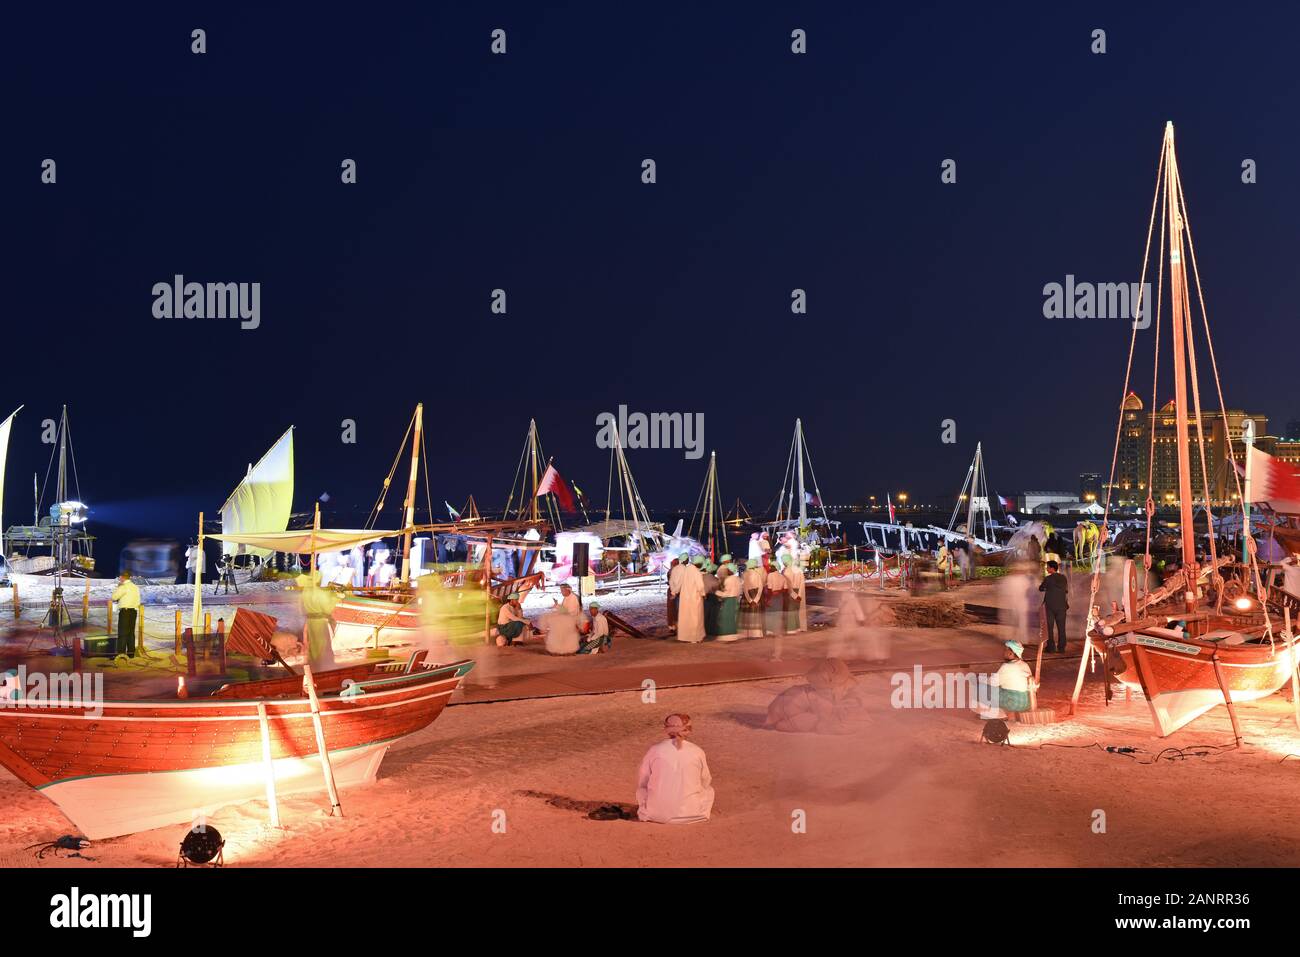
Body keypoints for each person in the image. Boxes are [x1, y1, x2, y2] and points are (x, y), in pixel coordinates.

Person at [635, 713, 714, 824]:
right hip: (693, 814)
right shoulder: (697, 751)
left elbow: (643, 781)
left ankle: (652, 811)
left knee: (641, 790)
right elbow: (706, 781)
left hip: (656, 816)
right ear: (688, 730)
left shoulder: (655, 750)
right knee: (709, 790)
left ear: (666, 729)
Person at [298, 573, 338, 671]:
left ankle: (313, 664)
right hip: (320, 622)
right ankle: (323, 664)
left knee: (312, 644)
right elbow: (328, 608)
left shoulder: (304, 592)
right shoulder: (321, 593)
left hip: (310, 621)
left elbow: (301, 609)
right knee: (322, 643)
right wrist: (334, 595)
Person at [993, 640, 1034, 715]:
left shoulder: (1007, 666)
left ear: (1011, 653)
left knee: (982, 689)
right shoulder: (1024, 664)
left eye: (1005, 650)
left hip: (1013, 703)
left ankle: (998, 714)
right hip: (1026, 703)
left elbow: (993, 683)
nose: (1003, 652)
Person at [1039, 559, 1069, 653]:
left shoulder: (1048, 578)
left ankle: (1051, 647)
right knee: (1061, 628)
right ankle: (1061, 647)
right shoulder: (1063, 578)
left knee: (1049, 628)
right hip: (1062, 606)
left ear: (1052, 568)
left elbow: (1041, 588)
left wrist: (1047, 588)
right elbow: (1066, 591)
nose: (1047, 569)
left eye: (1047, 567)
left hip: (1050, 606)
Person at [675, 555, 706, 643]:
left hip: (685, 598)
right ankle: (694, 638)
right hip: (694, 598)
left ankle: (685, 636)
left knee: (686, 618)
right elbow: (700, 586)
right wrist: (703, 594)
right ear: (698, 563)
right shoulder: (696, 572)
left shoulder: (687, 569)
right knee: (695, 618)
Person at [111, 570, 142, 657]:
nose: (119, 578)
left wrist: (118, 587)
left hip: (125, 611)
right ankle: (131, 654)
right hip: (133, 611)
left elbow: (114, 597)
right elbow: (138, 600)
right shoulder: (135, 587)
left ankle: (120, 654)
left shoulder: (124, 586)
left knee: (122, 633)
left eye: (120, 577)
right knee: (130, 633)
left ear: (123, 577)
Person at [764, 559, 788, 658]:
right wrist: (779, 591)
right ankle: (777, 630)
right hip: (780, 597)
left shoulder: (770, 576)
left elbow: (769, 588)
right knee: (778, 614)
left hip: (772, 596)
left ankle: (771, 631)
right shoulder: (782, 577)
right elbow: (785, 589)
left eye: (771, 566)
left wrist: (769, 599)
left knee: (770, 614)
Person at [715, 556, 741, 641]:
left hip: (729, 600)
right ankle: (732, 634)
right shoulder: (737, 579)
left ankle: (727, 635)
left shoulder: (729, 579)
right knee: (732, 618)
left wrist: (716, 592)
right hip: (735, 599)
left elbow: (727, 593)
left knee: (726, 617)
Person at [739, 559, 765, 639]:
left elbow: (744, 588)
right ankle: (755, 634)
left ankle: (747, 633)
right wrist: (756, 600)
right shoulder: (757, 574)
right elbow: (760, 587)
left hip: (747, 597)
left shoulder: (744, 574)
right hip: (756, 595)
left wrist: (749, 600)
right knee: (755, 615)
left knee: (747, 615)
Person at [783, 554, 807, 634]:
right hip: (798, 592)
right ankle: (798, 627)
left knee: (791, 611)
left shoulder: (787, 571)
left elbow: (787, 586)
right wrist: (799, 595)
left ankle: (791, 629)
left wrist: (794, 595)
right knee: (796, 611)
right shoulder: (799, 570)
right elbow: (802, 583)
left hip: (791, 593)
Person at [701, 559, 720, 638]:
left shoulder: (703, 577)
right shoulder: (713, 578)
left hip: (705, 597)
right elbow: (716, 587)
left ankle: (705, 630)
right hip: (712, 597)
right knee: (713, 615)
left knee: (705, 615)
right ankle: (712, 630)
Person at [665, 556, 681, 632]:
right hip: (676, 591)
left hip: (673, 591)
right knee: (674, 609)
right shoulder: (676, 571)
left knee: (672, 609)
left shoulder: (671, 571)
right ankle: (674, 625)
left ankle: (672, 625)